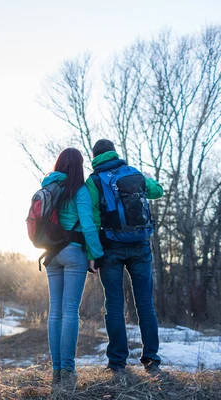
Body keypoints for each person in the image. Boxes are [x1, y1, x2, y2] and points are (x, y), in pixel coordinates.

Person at [86, 139, 164, 375]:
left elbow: (93, 218)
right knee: (145, 305)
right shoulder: (132, 172)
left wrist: (94, 253)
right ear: (114, 152)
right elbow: (158, 191)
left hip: (110, 248)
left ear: (95, 155)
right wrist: (144, 182)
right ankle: (151, 361)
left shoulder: (94, 180)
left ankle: (117, 363)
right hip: (140, 245)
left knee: (114, 306)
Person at [41, 148, 104, 387]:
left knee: (54, 312)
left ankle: (56, 371)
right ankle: (68, 371)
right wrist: (95, 255)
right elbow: (88, 226)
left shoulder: (48, 185)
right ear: (79, 165)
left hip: (51, 255)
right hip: (73, 253)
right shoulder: (80, 189)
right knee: (70, 312)